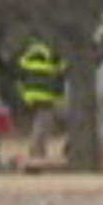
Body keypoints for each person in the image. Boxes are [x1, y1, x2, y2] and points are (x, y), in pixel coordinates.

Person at [16, 38, 67, 168]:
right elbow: (61, 72)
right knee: (42, 124)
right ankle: (36, 153)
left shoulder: (29, 54)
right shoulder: (53, 56)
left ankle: (38, 151)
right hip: (44, 96)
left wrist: (23, 94)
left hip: (29, 95)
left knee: (39, 123)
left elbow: (20, 75)